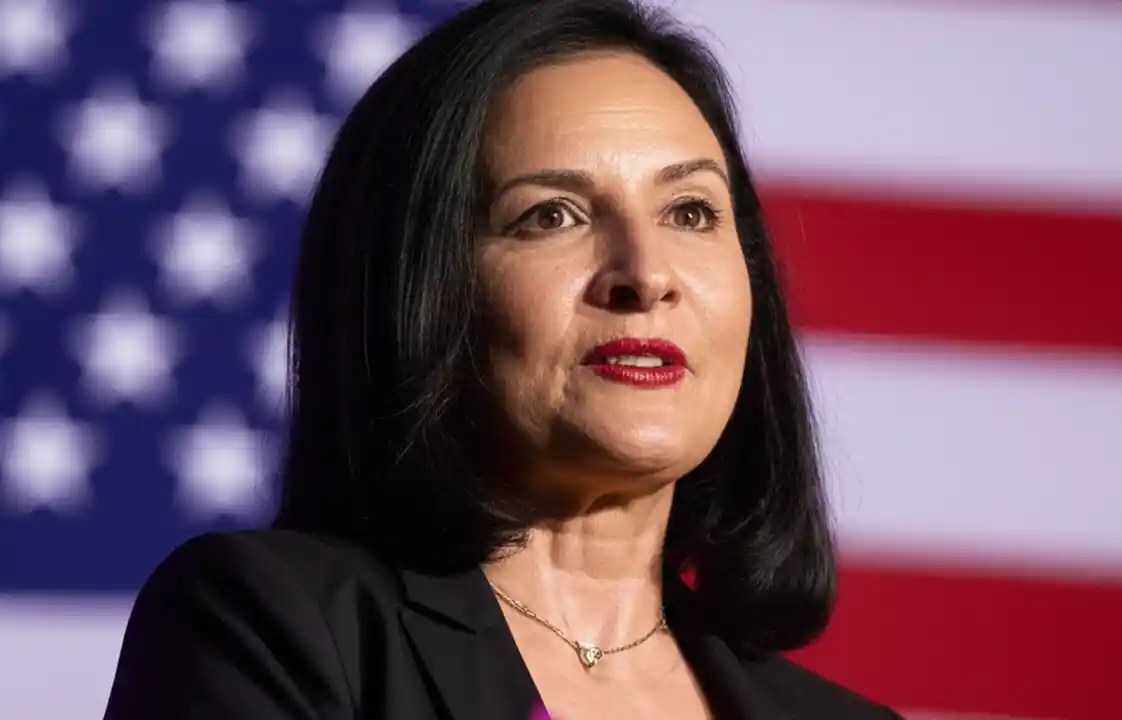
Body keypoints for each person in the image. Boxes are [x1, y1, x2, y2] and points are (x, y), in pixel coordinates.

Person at [103, 0, 901, 717]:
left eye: (690, 211)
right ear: (423, 289)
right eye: (551, 215)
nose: (646, 276)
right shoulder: (272, 626)